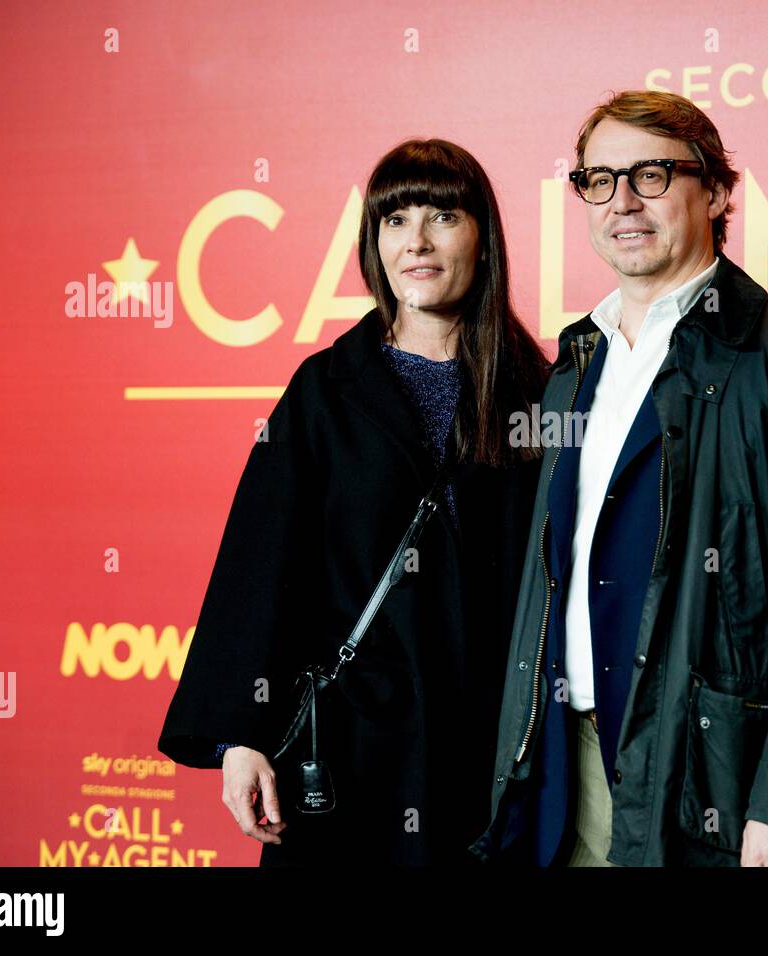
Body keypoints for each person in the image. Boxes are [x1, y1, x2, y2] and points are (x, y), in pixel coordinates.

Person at [469, 90, 768, 867]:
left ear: (719, 192)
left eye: (652, 176)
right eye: (598, 180)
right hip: (576, 768)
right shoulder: (574, 367)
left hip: (718, 784)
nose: (621, 202)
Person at [158, 139, 550, 865]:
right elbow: (259, 568)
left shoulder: (539, 392)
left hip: (493, 750)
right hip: (352, 751)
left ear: (483, 237)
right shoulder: (325, 390)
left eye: (443, 216)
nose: (418, 242)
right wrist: (244, 735)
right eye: (394, 220)